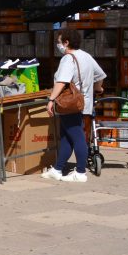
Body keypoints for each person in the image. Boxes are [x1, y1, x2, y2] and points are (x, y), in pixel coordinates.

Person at [42, 29, 106, 183]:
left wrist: (51, 99)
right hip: (83, 103)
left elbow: (62, 81)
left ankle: (80, 172)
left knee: (77, 137)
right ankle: (57, 169)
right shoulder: (86, 56)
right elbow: (101, 75)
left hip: (70, 104)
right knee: (66, 137)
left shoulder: (68, 59)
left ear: (66, 42)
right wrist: (98, 88)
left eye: (59, 42)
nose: (58, 45)